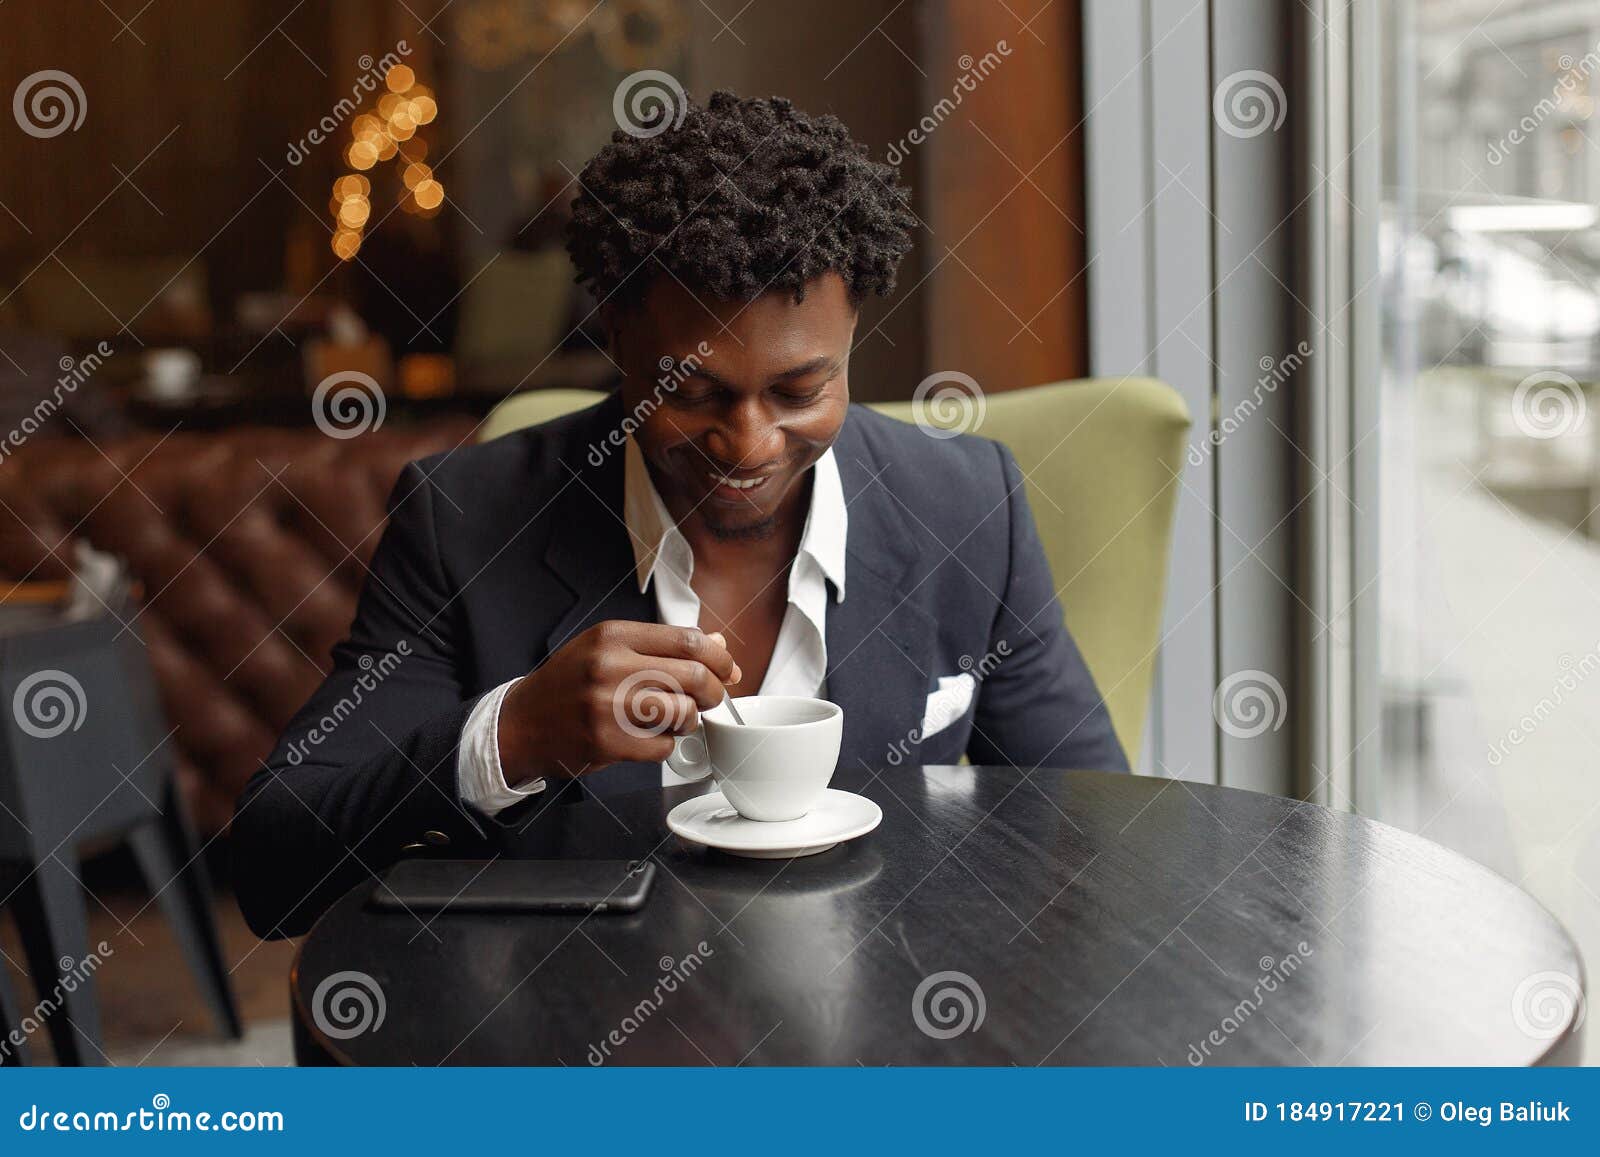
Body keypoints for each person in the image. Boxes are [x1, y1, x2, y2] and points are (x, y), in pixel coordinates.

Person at [232, 91, 1125, 939]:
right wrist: (517, 732)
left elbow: (1091, 834)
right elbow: (274, 866)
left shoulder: (969, 506)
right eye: (692, 391)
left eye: (799, 390)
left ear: (852, 338)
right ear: (615, 336)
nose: (747, 444)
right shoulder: (467, 520)